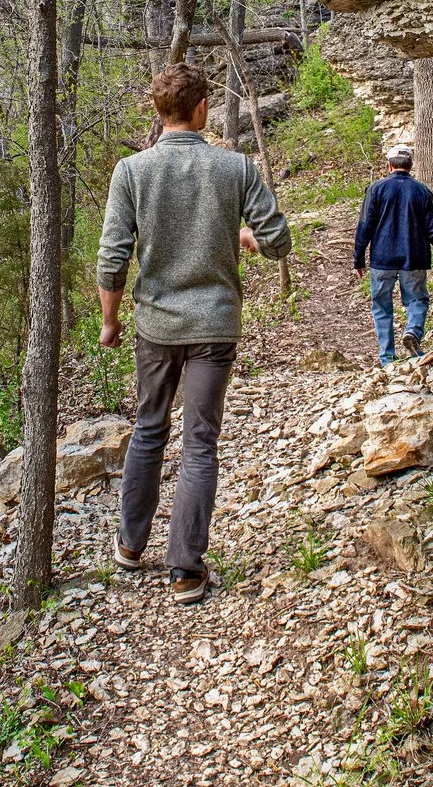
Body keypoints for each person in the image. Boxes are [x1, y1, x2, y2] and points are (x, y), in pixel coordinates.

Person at [97, 62, 292, 605]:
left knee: (148, 429)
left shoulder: (131, 171)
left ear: (158, 113)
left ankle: (130, 547)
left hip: (155, 324)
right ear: (203, 108)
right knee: (200, 442)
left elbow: (112, 258)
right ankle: (185, 570)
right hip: (214, 325)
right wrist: (249, 237)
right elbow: (279, 240)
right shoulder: (235, 168)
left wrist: (111, 320)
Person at [353, 143, 433, 366]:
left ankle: (387, 358)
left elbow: (364, 226)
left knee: (381, 307)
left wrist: (358, 258)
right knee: (417, 300)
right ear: (411, 165)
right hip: (414, 258)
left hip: (381, 260)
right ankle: (413, 332)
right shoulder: (422, 191)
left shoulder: (375, 189)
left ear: (389, 166)